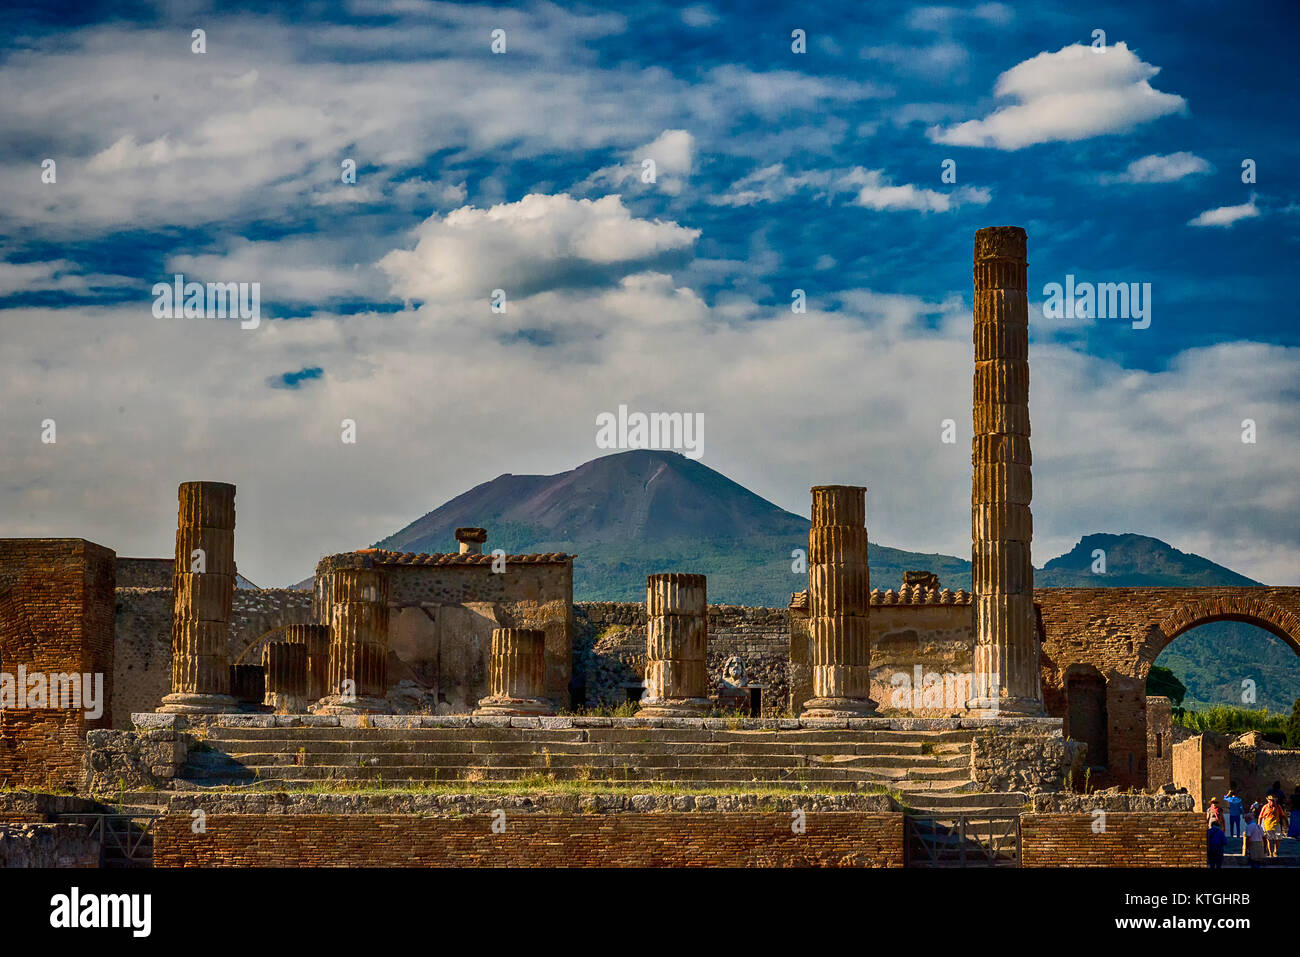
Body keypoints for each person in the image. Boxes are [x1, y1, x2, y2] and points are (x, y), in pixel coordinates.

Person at [1259, 793, 1287, 858]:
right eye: (1271, 800)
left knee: (1278, 838)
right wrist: (1259, 826)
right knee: (1269, 839)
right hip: (1268, 825)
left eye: (1273, 800)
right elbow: (1260, 817)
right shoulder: (1265, 807)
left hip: (1276, 824)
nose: (1272, 801)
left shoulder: (1278, 806)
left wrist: (1287, 823)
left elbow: (1282, 815)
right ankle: (1270, 853)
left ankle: (1275, 851)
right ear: (1268, 801)